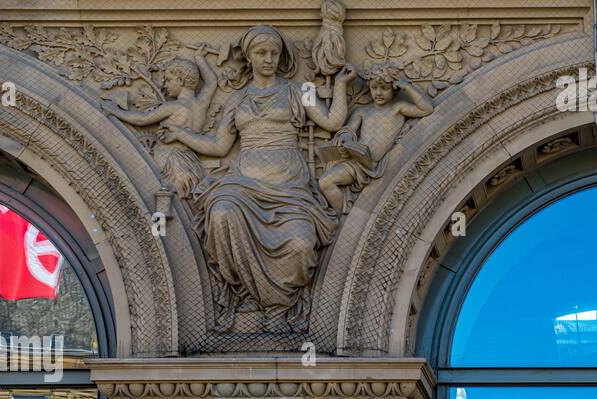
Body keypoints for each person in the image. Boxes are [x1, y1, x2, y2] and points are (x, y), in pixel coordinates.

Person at [160, 26, 354, 330]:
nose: (269, 59)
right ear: (249, 57)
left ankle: (278, 303)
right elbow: (219, 146)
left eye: (274, 53)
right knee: (221, 212)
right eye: (261, 53)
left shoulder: (297, 90)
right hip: (242, 183)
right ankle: (248, 294)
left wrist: (340, 85)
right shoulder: (238, 98)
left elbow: (332, 120)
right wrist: (181, 134)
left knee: (302, 243)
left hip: (289, 187)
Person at [101, 47, 219, 198]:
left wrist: (115, 111)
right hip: (190, 162)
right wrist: (200, 59)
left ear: (181, 80)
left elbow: (142, 119)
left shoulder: (173, 107)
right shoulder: (201, 104)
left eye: (169, 79)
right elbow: (211, 82)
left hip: (172, 162)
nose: (165, 85)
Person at [318, 63, 434, 213]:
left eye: (384, 88)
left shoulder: (397, 108)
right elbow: (349, 130)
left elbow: (427, 109)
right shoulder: (362, 111)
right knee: (325, 182)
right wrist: (345, 137)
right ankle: (343, 215)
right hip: (357, 163)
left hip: (380, 164)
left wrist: (407, 87)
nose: (378, 93)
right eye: (374, 87)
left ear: (394, 88)